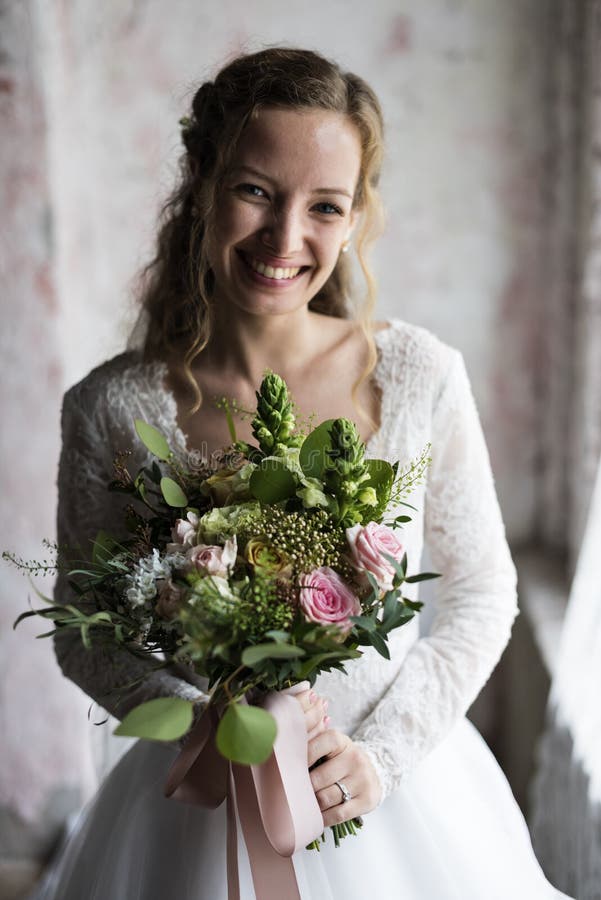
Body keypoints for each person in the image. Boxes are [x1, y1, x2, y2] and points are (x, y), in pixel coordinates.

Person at [34, 47, 571, 899]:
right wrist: (201, 720)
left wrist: (381, 758)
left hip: (389, 789)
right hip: (199, 806)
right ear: (201, 185)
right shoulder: (109, 408)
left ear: (356, 217)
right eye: (255, 191)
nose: (285, 239)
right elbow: (81, 625)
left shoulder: (416, 376)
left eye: (324, 206)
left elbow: (480, 596)